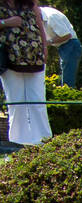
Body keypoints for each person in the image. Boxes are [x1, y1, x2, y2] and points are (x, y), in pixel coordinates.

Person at [0, 0, 52, 145]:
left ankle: (44, 139)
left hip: (35, 57)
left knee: (37, 100)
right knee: (16, 102)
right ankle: (18, 141)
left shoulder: (29, 3)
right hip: (9, 58)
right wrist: (7, 22)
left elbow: (39, 24)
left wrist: (45, 47)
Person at [39, 6, 77, 87]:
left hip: (70, 44)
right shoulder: (42, 16)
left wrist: (48, 42)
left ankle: (68, 96)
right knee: (64, 75)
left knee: (68, 77)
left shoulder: (51, 16)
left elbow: (67, 35)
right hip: (64, 46)